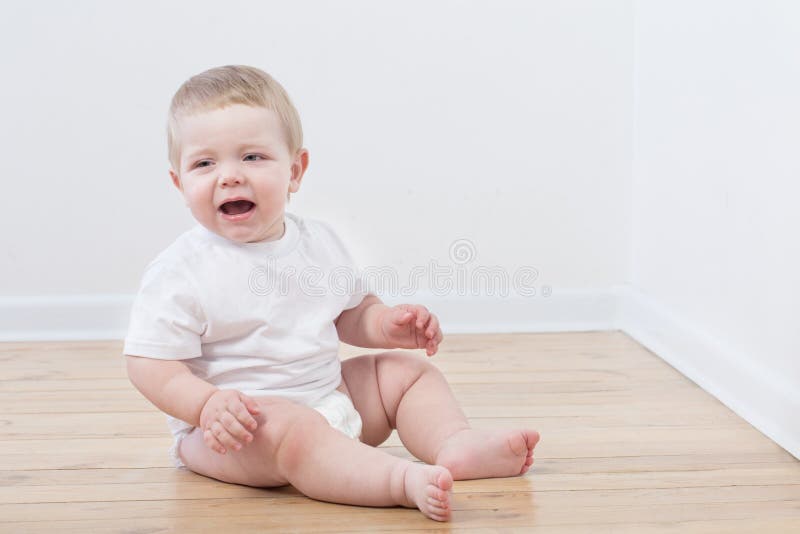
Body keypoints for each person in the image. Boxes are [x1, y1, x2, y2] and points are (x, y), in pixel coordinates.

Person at [124, 65, 539, 522]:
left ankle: (451, 443)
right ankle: (396, 480)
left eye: (253, 157)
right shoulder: (181, 271)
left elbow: (351, 312)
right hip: (237, 435)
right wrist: (205, 405)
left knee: (404, 374)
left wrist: (386, 324)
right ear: (180, 183)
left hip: (331, 398)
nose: (229, 176)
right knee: (288, 428)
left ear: (295, 171)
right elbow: (150, 363)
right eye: (205, 163)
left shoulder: (318, 243)